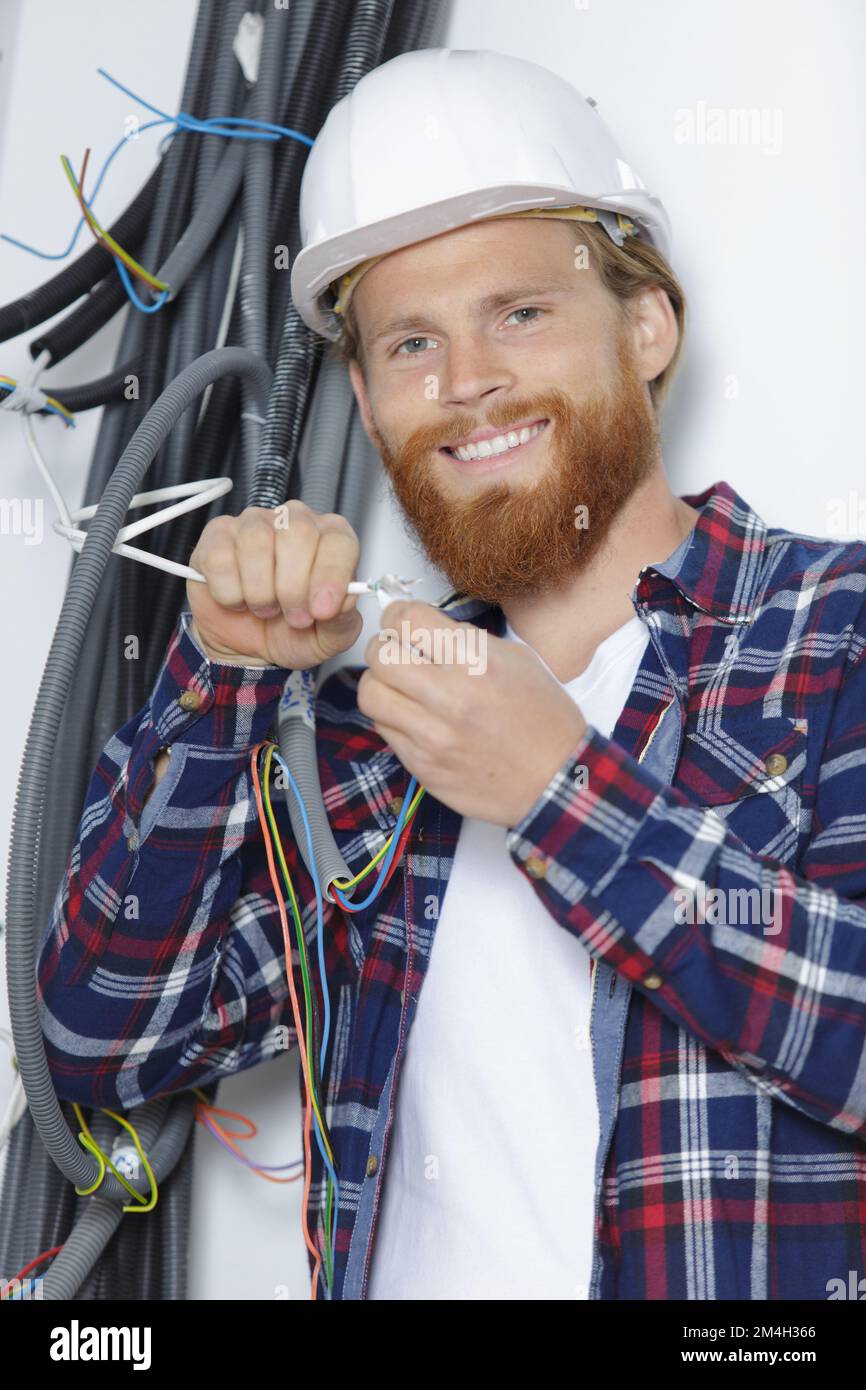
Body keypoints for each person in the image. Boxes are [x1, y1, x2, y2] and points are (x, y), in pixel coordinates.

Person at [37, 48, 866, 1302]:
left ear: (647, 326)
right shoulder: (361, 737)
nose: (466, 381)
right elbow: (110, 1035)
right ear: (367, 404)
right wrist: (218, 684)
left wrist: (557, 794)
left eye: (519, 312)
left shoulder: (833, 631)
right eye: (411, 341)